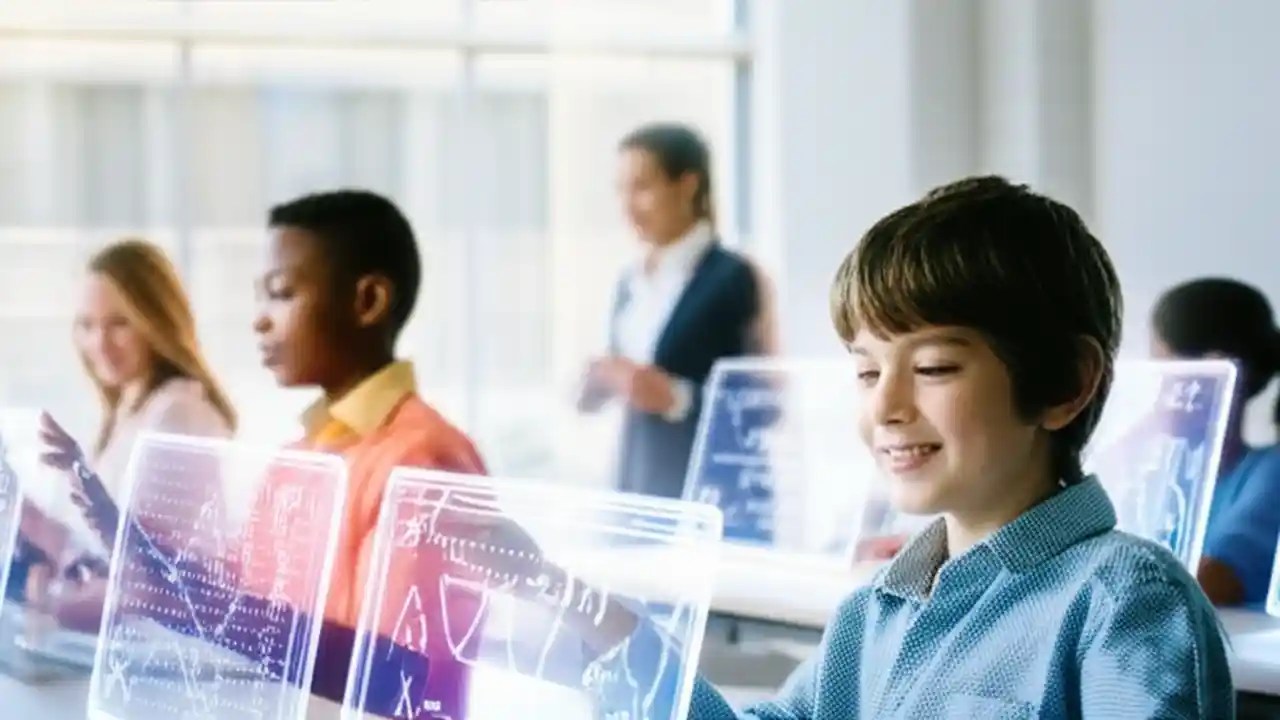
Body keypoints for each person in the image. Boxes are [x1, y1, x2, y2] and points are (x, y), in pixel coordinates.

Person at [614, 177, 1231, 717]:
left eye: (934, 368)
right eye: (866, 372)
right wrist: (597, 628)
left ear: (1066, 383)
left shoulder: (1125, 602)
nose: (885, 406)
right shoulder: (877, 609)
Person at [40, 190, 487, 715]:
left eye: (280, 294)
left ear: (368, 302)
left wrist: (167, 600)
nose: (259, 320)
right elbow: (244, 607)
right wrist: (135, 560)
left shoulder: (423, 460)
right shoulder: (300, 456)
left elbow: (400, 676)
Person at [14, 239, 235, 632]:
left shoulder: (178, 416)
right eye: (86, 325)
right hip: (124, 652)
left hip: (158, 661)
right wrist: (27, 519)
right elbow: (110, 552)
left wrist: (48, 600)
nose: (99, 343)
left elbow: (147, 587)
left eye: (120, 323)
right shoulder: (132, 409)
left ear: (157, 321)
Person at [579, 122, 776, 499]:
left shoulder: (736, 277)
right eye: (621, 190)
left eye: (642, 188)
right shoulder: (630, 282)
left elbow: (765, 405)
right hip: (639, 483)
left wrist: (676, 397)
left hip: (712, 491)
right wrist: (602, 384)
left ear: (687, 185)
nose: (627, 207)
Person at [1151, 277, 1280, 607]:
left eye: (1160, 365)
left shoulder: (1271, 471)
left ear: (1210, 373)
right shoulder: (1161, 480)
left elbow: (1214, 580)